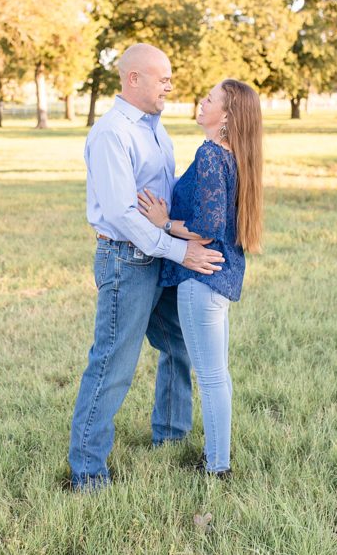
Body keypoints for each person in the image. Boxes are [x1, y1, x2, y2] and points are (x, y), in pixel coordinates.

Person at [69, 43, 225, 491]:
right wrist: (180, 250)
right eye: (163, 78)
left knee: (177, 345)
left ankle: (172, 438)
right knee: (113, 363)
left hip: (159, 256)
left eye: (170, 78)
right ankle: (87, 471)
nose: (170, 86)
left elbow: (164, 196)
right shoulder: (111, 133)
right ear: (133, 79)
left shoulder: (157, 129)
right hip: (127, 260)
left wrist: (189, 229)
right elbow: (122, 214)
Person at [138, 79, 264, 478]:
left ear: (226, 116)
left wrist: (164, 223)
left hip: (200, 277)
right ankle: (218, 459)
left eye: (210, 99)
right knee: (217, 374)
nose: (201, 101)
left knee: (211, 377)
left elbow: (206, 227)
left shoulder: (211, 154)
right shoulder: (233, 155)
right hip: (218, 277)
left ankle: (217, 466)